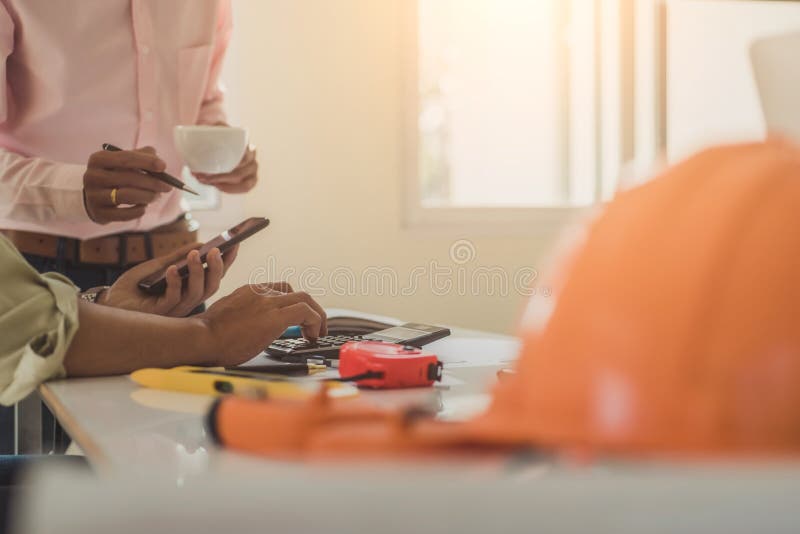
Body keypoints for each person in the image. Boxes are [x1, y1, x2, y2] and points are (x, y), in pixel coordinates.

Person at [0, 0, 256, 450]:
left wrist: (220, 148)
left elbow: (203, 98)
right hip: (32, 283)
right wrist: (70, 187)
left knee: (179, 487)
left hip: (175, 278)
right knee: (34, 487)